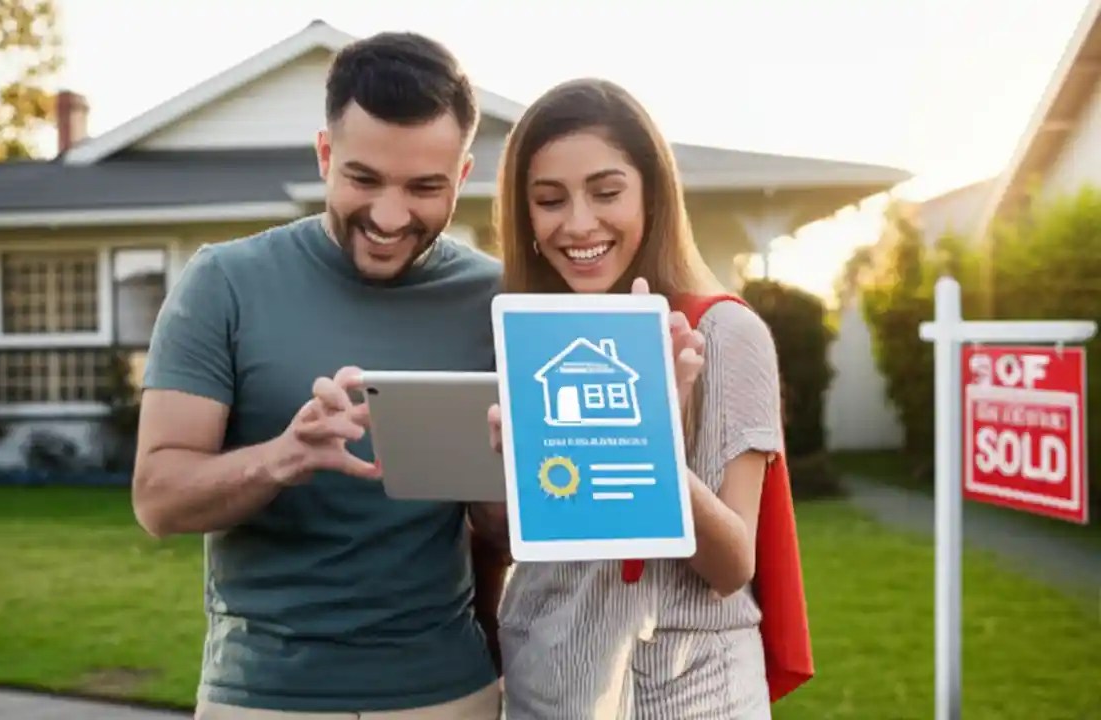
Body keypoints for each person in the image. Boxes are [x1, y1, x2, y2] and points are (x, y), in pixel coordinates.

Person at [131, 31, 508, 719]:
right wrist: (282, 458)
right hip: (266, 697)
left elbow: (514, 537)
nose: (390, 217)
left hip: (449, 694)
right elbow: (157, 499)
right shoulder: (224, 283)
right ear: (326, 155)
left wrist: (500, 486)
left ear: (461, 176)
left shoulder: (499, 302)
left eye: (424, 187)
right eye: (364, 179)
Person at [476, 77, 811, 719]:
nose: (578, 224)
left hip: (686, 692)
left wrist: (648, 437)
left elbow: (733, 564)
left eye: (606, 192)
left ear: (652, 194)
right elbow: (525, 542)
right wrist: (496, 480)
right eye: (549, 200)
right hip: (550, 685)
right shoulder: (531, 337)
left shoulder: (723, 332)